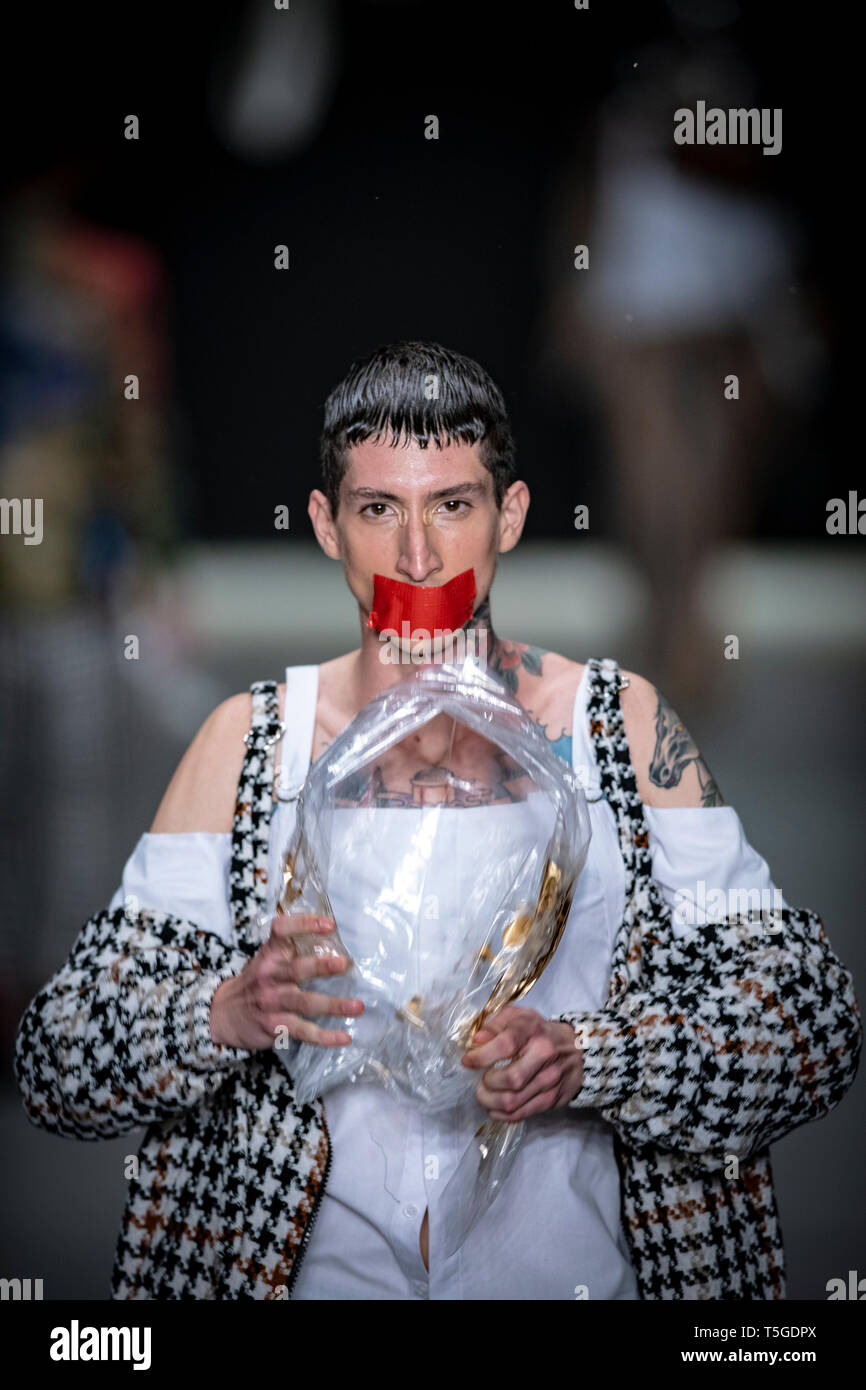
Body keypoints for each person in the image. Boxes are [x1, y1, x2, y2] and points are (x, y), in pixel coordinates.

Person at [14, 340, 861, 1300]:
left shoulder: (618, 730)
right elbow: (60, 1057)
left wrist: (596, 1057)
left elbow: (809, 1018)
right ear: (328, 527)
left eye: (452, 506)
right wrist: (227, 1011)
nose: (418, 557)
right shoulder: (253, 748)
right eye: (381, 510)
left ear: (510, 516)